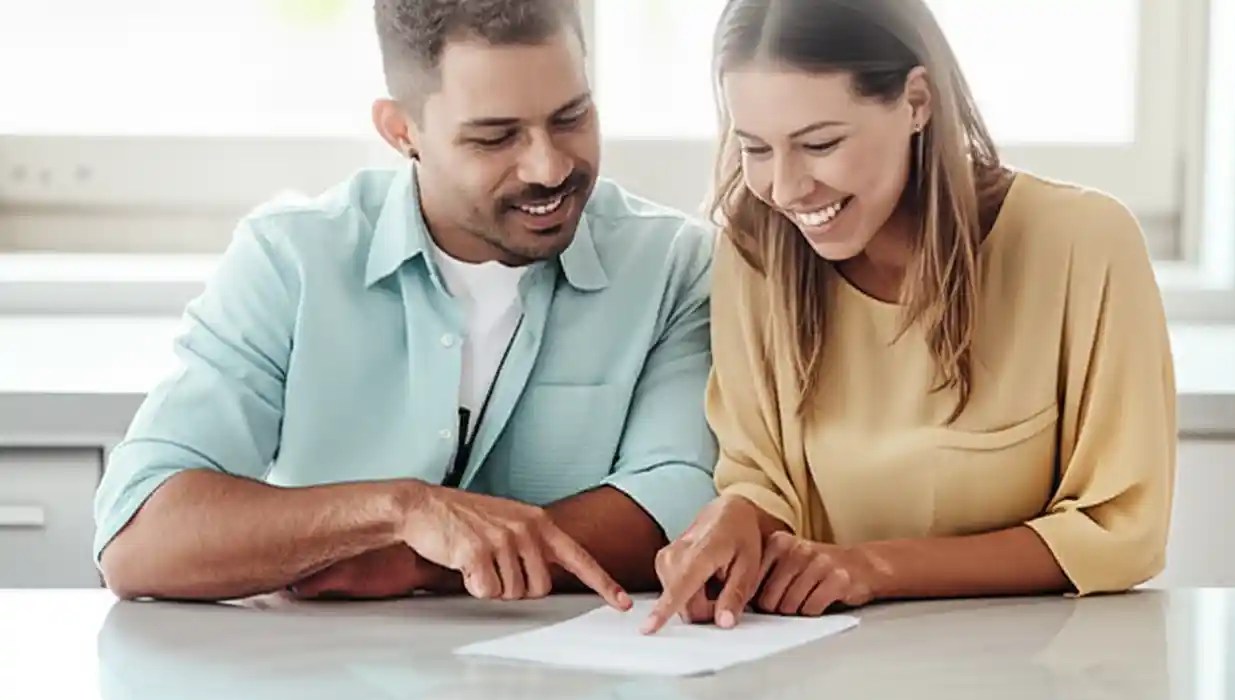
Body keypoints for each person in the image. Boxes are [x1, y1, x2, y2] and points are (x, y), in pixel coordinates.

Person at [94, 0, 718, 606]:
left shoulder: (673, 265)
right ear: (402, 131)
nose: (550, 167)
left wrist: (424, 561)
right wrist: (401, 511)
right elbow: (139, 534)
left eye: (571, 116)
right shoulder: (292, 259)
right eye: (495, 138)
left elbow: (678, 499)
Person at [644, 0, 1175, 634]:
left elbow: (1120, 528)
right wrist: (738, 521)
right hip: (814, 665)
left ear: (916, 102)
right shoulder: (755, 250)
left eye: (820, 144)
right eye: (755, 147)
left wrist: (874, 568)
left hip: (1034, 668)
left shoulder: (1083, 244)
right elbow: (764, 477)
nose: (784, 189)